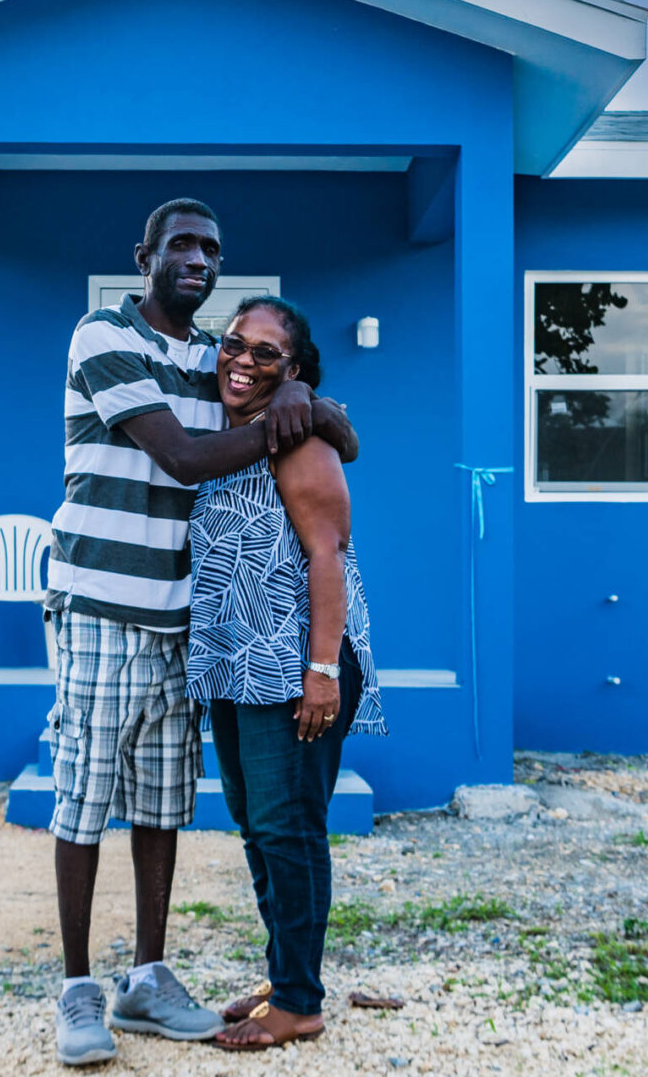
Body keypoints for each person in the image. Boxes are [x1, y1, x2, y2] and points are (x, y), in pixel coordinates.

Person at [45, 199, 357, 1068]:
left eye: (212, 249)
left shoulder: (207, 362)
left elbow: (332, 444)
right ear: (142, 254)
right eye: (181, 244)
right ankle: (78, 993)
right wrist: (293, 401)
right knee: (82, 797)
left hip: (187, 626)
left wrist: (300, 393)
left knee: (159, 803)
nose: (197, 259)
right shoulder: (102, 336)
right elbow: (183, 458)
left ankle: (147, 979)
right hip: (104, 606)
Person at [184, 296, 385, 1053]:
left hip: (298, 665)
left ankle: (300, 1001)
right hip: (240, 665)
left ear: (293, 371)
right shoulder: (230, 430)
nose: (240, 360)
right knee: (256, 825)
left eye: (265, 354)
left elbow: (326, 556)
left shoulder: (300, 440)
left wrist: (322, 672)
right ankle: (283, 973)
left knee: (289, 828)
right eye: (233, 343)